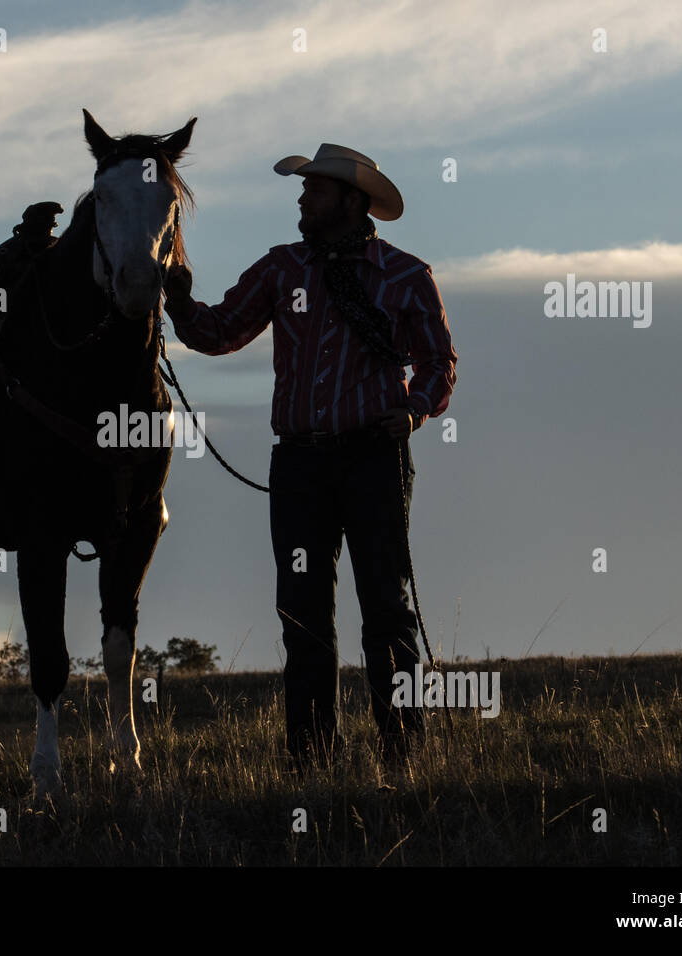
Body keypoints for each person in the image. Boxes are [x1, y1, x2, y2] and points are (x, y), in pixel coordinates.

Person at [161, 144, 457, 771]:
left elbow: (438, 363)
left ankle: (401, 753)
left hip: (375, 457)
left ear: (350, 201)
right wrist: (179, 300)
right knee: (303, 613)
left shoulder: (406, 276)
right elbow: (219, 332)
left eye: (315, 191)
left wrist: (411, 412)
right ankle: (311, 758)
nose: (302, 200)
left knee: (385, 608)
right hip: (300, 465)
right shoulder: (280, 269)